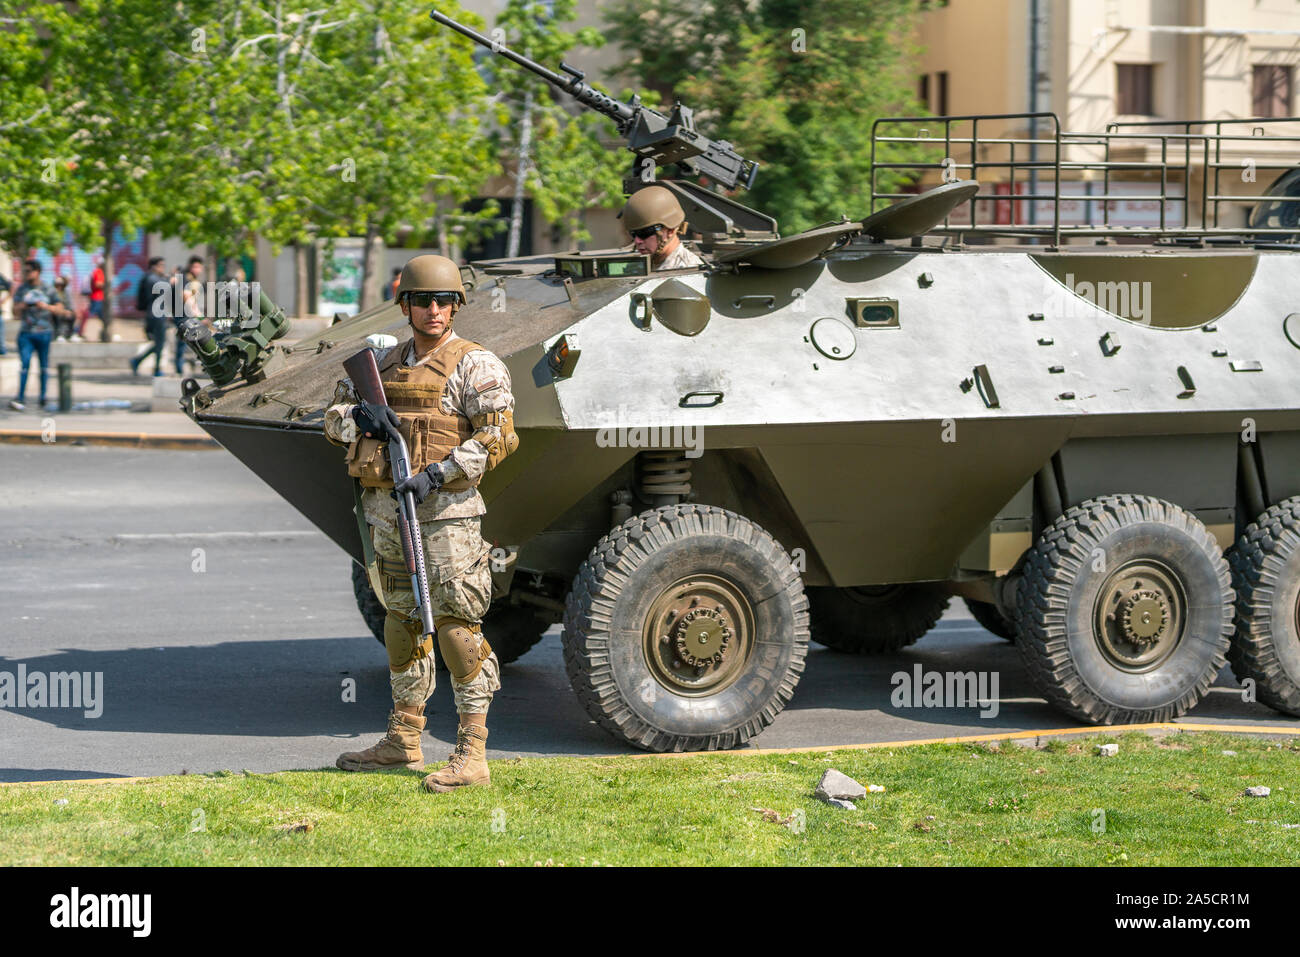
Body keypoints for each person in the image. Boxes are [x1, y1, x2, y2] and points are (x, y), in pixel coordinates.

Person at [324, 254, 518, 793]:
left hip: (447, 516)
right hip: (388, 514)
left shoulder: (477, 365)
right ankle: (404, 739)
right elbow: (332, 420)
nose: (434, 310)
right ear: (404, 304)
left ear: (456, 305)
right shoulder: (380, 364)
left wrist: (439, 474)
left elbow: (499, 435)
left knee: (456, 625)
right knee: (401, 620)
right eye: (423, 301)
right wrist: (361, 417)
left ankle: (472, 752)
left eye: (445, 301)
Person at [619, 185, 704, 271]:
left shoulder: (688, 269)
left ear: (670, 230)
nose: (637, 241)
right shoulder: (640, 266)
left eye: (644, 233)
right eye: (633, 234)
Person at [9, 259, 55, 411]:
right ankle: (20, 397)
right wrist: (25, 304)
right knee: (25, 364)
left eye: (28, 271)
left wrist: (45, 306)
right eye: (25, 271)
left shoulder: (47, 289)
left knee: (43, 366)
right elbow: (14, 310)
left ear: (37, 272)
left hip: (44, 332)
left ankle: (43, 397)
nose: (26, 274)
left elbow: (61, 308)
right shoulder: (22, 290)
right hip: (26, 333)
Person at [131, 257, 171, 377]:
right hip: (155, 315)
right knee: (160, 342)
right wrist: (169, 279)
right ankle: (155, 368)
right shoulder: (150, 278)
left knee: (160, 343)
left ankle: (138, 361)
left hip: (159, 314)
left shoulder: (155, 278)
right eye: (161, 265)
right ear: (154, 266)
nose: (163, 268)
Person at [87, 254, 108, 341]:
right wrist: (108, 285)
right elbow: (98, 284)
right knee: (92, 315)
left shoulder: (97, 271)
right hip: (97, 297)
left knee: (101, 317)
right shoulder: (99, 271)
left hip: (98, 297)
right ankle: (81, 331)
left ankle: (104, 333)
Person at [50, 275, 75, 341]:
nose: (59, 286)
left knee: (72, 315)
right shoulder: (52, 292)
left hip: (64, 311)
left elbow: (69, 304)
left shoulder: (66, 293)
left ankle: (70, 334)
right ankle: (59, 334)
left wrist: (69, 311)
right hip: (55, 312)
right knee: (58, 316)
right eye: (57, 284)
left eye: (61, 284)